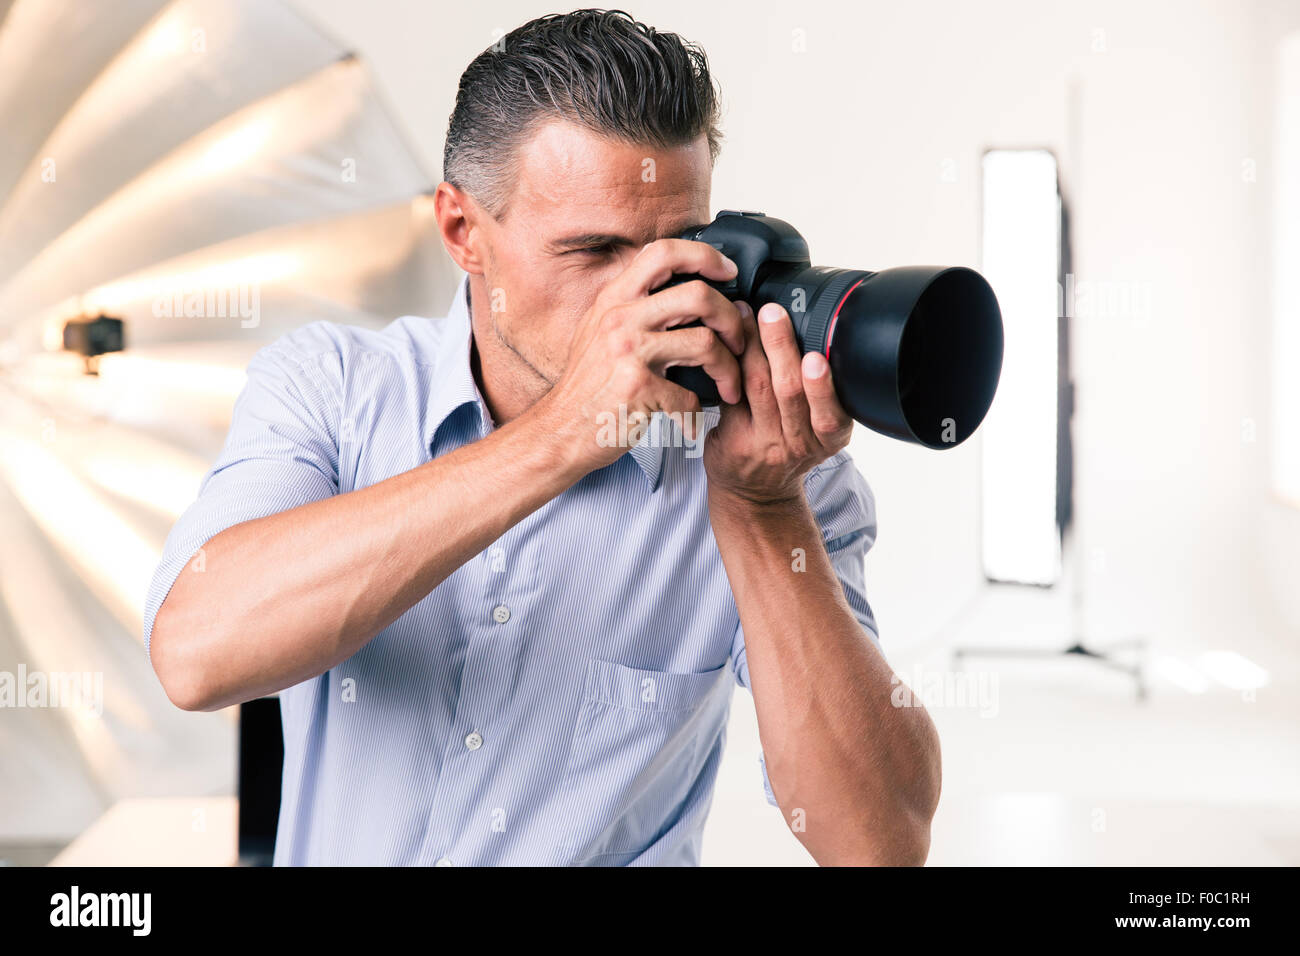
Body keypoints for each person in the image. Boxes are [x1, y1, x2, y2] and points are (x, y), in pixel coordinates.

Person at [145, 9, 940, 866]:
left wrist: (763, 511)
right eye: (595, 251)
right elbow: (195, 654)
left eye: (678, 247)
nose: (647, 294)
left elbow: (879, 844)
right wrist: (563, 436)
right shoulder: (332, 388)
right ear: (462, 232)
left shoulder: (769, 461)